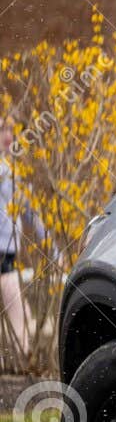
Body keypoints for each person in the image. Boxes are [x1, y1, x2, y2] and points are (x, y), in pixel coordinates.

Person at [0, 121, 32, 364]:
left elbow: (31, 210)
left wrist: (54, 248)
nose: (8, 135)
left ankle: (20, 360)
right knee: (18, 310)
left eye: (10, 129)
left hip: (7, 254)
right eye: (2, 130)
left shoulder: (12, 169)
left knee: (20, 311)